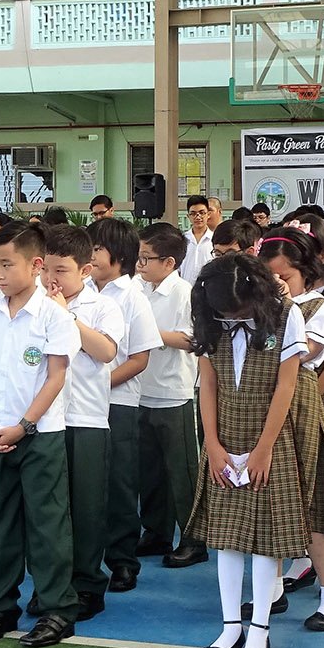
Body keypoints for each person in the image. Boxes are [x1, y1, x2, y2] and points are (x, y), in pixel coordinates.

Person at [187, 252, 312, 648]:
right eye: (223, 311)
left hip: (267, 440)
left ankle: (259, 628)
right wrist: (214, 444)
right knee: (226, 539)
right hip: (224, 438)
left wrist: (264, 448)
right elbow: (208, 384)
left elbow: (286, 385)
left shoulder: (286, 316)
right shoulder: (210, 318)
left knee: (263, 540)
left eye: (237, 310)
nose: (230, 316)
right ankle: (229, 626)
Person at [0, 222, 82, 648]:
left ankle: (56, 609)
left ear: (34, 264)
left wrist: (24, 425)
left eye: (7, 265)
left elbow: (56, 376)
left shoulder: (53, 314)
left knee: (47, 525)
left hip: (39, 436)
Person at [258, 227, 324, 631]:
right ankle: (271, 591)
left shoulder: (321, 308)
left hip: (301, 408)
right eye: (269, 276)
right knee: (269, 503)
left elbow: (307, 352)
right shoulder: (259, 308)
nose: (276, 284)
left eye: (283, 276)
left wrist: (280, 307)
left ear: (304, 272)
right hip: (265, 410)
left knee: (311, 508)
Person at [43, 224, 125, 621]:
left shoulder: (103, 306)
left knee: (87, 508)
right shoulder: (34, 303)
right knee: (49, 509)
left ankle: (88, 584)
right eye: (47, 269)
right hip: (43, 419)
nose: (50, 279)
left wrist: (67, 319)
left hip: (86, 419)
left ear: (86, 271)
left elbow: (107, 351)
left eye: (61, 271)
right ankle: (52, 585)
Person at [85, 217, 162, 593]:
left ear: (119, 256)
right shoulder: (80, 291)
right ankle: (87, 557)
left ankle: (122, 560)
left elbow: (139, 359)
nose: (91, 254)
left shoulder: (134, 299)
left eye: (97, 248)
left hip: (118, 402)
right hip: (78, 406)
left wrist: (97, 384)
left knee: (119, 483)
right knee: (86, 485)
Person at [136, 222, 204, 567]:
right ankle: (156, 532)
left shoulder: (184, 293)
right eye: (140, 257)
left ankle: (194, 537)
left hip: (172, 391)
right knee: (149, 470)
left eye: (147, 259)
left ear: (170, 262)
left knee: (182, 471)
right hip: (140, 389)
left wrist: (150, 333)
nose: (140, 265)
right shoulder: (138, 288)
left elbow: (192, 340)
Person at [178, 194, 214, 285]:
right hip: (186, 290)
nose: (198, 217)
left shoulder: (215, 239)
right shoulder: (182, 239)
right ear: (188, 216)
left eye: (202, 213)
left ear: (208, 214)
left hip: (208, 290)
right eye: (193, 214)